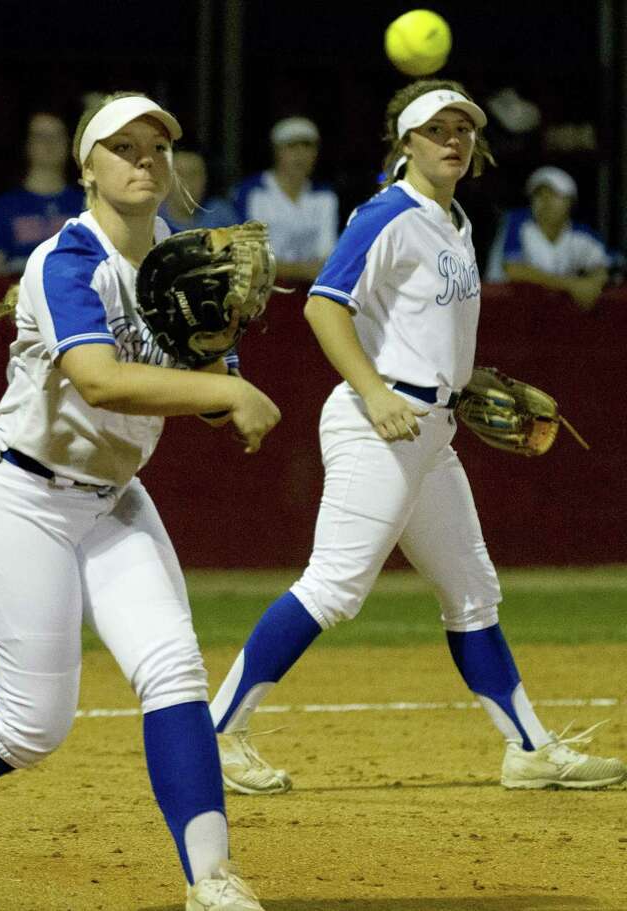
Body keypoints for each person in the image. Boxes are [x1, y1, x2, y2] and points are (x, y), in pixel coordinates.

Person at [0, 91, 280, 911]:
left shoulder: (178, 257)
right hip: (17, 496)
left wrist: (222, 383)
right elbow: (99, 377)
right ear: (86, 168)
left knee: (174, 671)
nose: (144, 160)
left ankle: (213, 880)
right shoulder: (66, 260)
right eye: (123, 147)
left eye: (156, 147)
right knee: (32, 725)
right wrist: (225, 391)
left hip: (111, 499)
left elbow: (197, 388)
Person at [207, 81, 626, 797]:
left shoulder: (454, 219)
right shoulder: (389, 214)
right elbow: (322, 305)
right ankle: (213, 733)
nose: (454, 140)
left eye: (463, 128)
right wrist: (375, 392)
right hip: (382, 422)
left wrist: (452, 380)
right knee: (335, 588)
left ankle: (529, 748)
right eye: (438, 129)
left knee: (472, 593)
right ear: (406, 142)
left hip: (432, 428)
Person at [486, 166, 610, 311]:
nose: (545, 201)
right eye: (538, 195)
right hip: (501, 307)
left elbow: (605, 268)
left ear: (570, 201)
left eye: (553, 194)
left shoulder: (581, 234)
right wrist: (573, 285)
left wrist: (592, 284)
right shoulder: (516, 222)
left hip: (546, 313)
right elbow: (515, 270)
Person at [230, 116, 338, 283]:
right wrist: (301, 270)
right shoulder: (252, 191)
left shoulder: (325, 196)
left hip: (311, 288)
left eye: (307, 146)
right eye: (292, 147)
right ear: (276, 151)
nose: (300, 154)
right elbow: (249, 257)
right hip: (263, 288)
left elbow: (327, 255)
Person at [0, 111, 85, 276]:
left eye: (57, 135)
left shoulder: (88, 205)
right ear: (27, 144)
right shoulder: (3, 208)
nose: (49, 143)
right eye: (40, 136)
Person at [159, 147, 238, 232]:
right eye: (179, 174)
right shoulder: (150, 221)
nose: (187, 182)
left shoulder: (221, 215)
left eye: (194, 174)